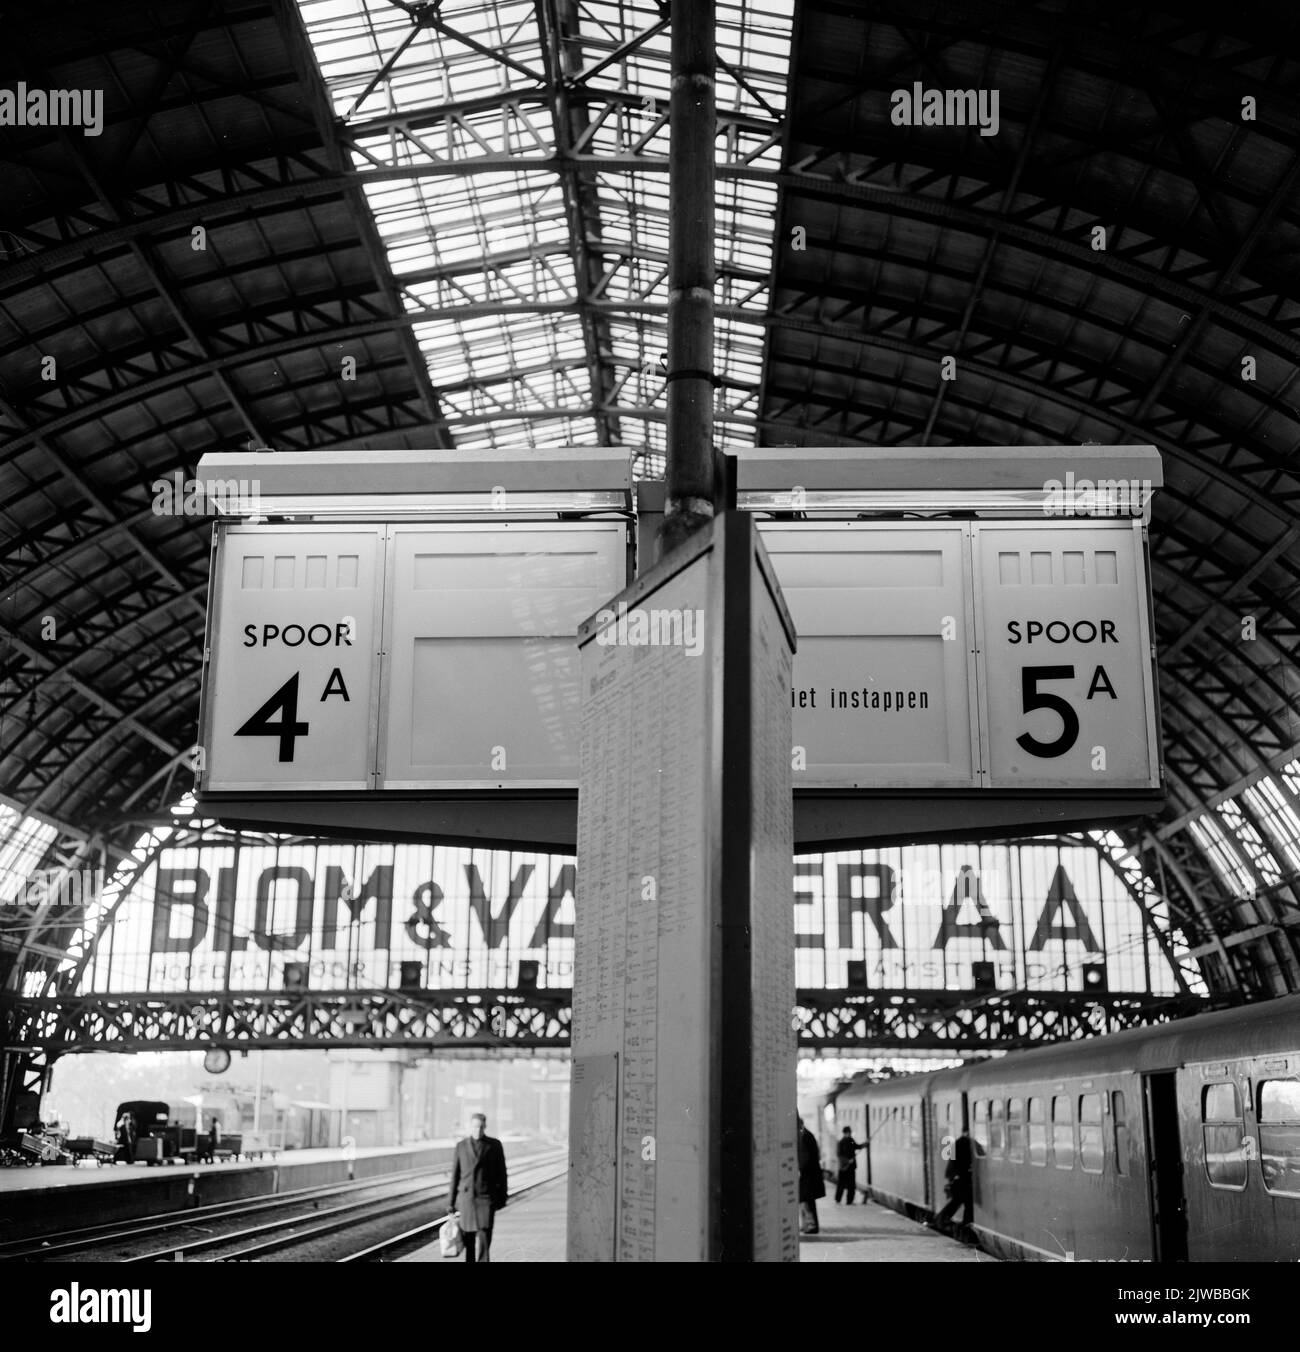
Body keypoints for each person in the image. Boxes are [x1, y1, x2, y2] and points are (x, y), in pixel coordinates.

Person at [448, 1112, 508, 1262]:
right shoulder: (461, 1146)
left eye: (481, 1127)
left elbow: (502, 1173)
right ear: (470, 1126)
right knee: (468, 1238)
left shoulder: (494, 1145)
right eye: (475, 1127)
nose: (478, 1130)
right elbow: (455, 1176)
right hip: (466, 1200)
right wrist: (451, 1203)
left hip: (486, 1199)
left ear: (485, 1127)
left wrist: (502, 1197)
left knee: (484, 1236)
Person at [935, 1128, 973, 1234]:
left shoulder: (958, 1143)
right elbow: (958, 1163)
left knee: (960, 1201)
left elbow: (952, 1163)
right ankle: (942, 1220)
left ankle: (941, 1220)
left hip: (958, 1178)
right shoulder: (964, 1143)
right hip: (961, 1179)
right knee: (964, 1201)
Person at [796, 1115, 825, 1235]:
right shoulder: (807, 1135)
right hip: (809, 1175)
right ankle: (807, 1225)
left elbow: (804, 1157)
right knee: (807, 1201)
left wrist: (798, 1169)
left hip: (807, 1176)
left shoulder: (804, 1137)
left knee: (807, 1201)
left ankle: (811, 1226)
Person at [835, 1125, 866, 1204]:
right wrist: (847, 1161)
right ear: (845, 1133)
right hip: (843, 1167)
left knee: (851, 1185)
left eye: (849, 1133)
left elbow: (856, 1146)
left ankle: (849, 1201)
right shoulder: (841, 1142)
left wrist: (864, 1144)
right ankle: (838, 1199)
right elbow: (839, 1155)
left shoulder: (851, 1141)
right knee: (841, 1184)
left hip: (851, 1167)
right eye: (848, 1133)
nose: (849, 1134)